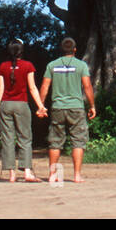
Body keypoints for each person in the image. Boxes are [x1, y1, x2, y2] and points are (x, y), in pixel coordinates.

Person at [39, 37, 96, 183]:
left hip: (58, 107)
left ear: (61, 50)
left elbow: (45, 86)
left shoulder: (52, 65)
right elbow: (87, 86)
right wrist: (92, 106)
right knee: (78, 141)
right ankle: (77, 175)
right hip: (76, 107)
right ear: (75, 50)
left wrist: (41, 106)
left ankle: (53, 174)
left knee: (55, 141)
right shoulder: (81, 65)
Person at [0, 38, 47, 183]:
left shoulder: (3, 66)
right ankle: (27, 172)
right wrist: (40, 106)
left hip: (6, 104)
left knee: (7, 139)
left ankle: (11, 174)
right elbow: (32, 88)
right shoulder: (28, 66)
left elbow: (0, 89)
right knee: (25, 138)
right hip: (21, 105)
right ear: (21, 50)